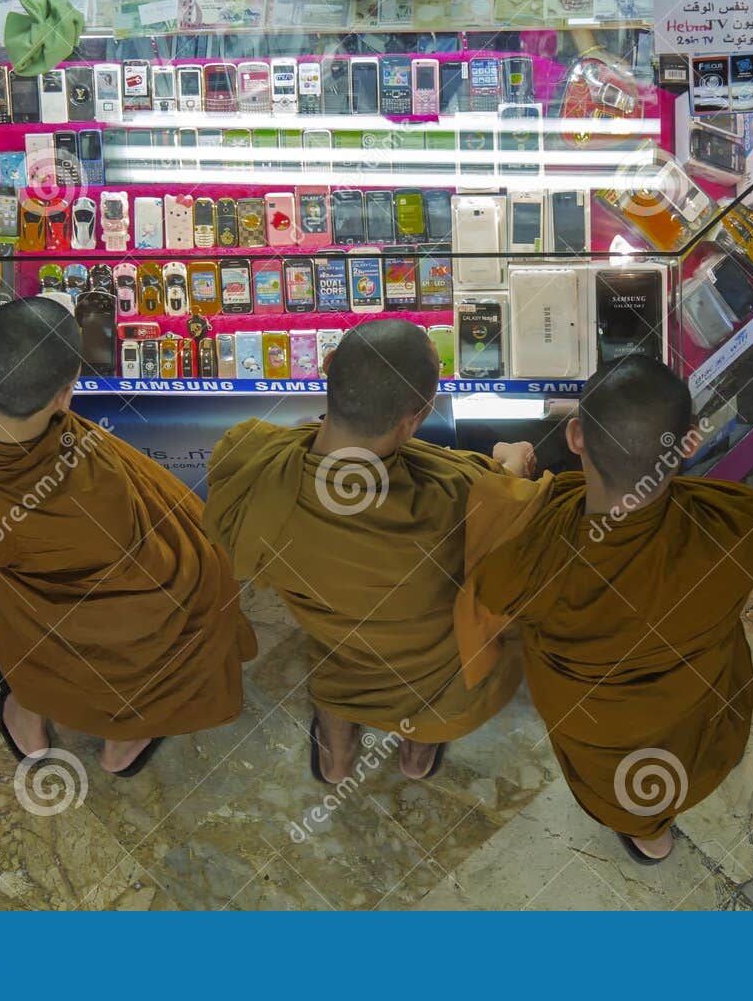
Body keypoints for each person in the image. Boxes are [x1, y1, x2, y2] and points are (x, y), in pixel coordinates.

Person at [0, 297, 257, 777]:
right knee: (169, 619)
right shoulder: (97, 478)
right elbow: (155, 558)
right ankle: (120, 748)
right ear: (67, 394)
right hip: (128, 625)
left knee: (31, 637)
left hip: (31, 606)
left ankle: (27, 727)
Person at [458, 356, 753, 864]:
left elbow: (485, 611)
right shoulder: (740, 521)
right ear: (689, 440)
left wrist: (505, 478)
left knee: (631, 802)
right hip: (704, 725)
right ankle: (653, 828)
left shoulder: (528, 552)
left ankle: (648, 834)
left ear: (575, 437)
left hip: (600, 745)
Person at [202, 319, 535, 784]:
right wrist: (514, 458)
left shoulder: (250, 457)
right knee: (469, 668)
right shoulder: (457, 491)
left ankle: (337, 759)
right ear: (413, 420)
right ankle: (418, 754)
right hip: (434, 667)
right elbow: (511, 502)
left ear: (328, 365)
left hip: (342, 644)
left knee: (337, 664)